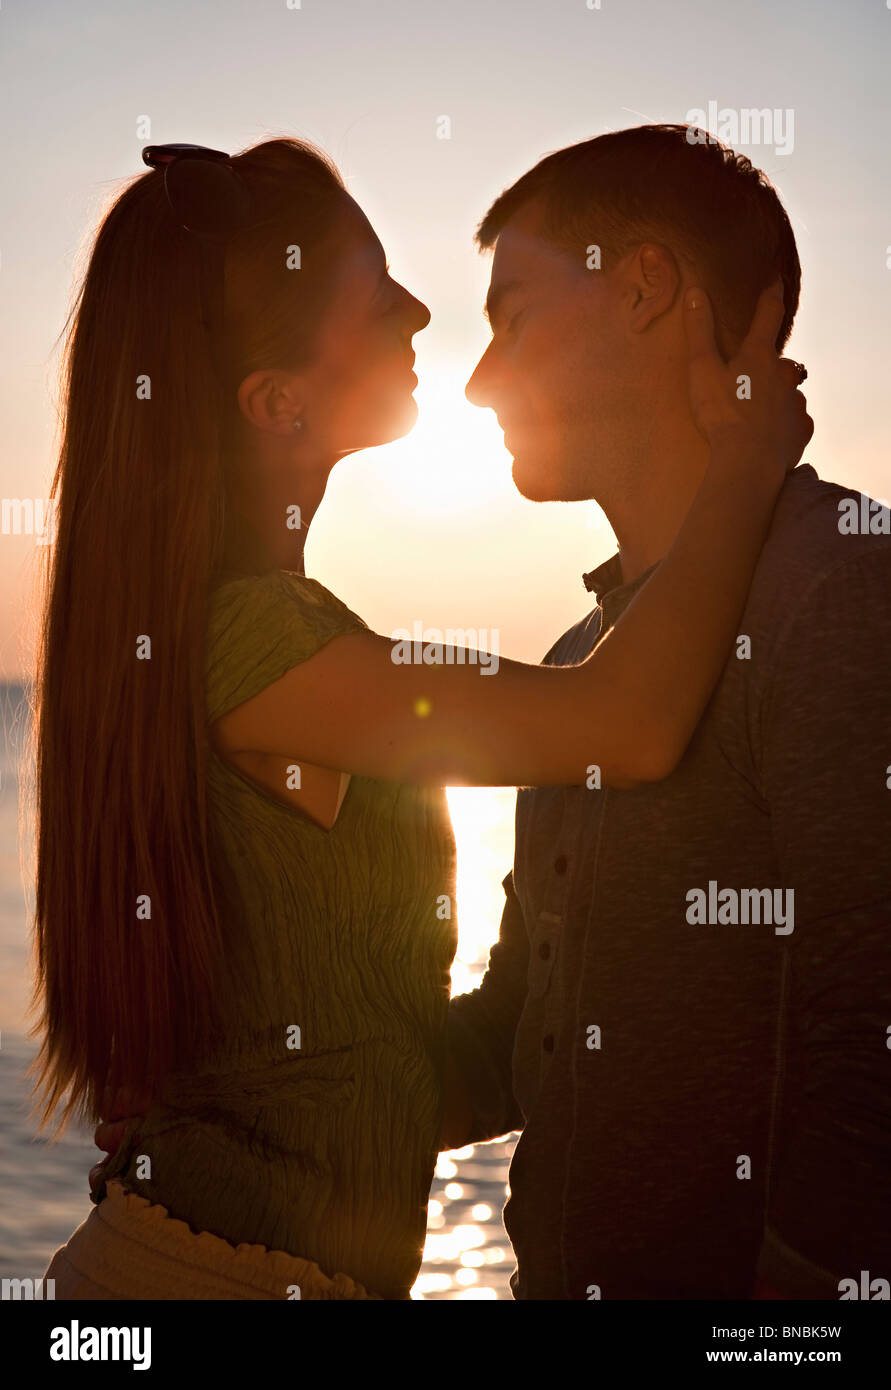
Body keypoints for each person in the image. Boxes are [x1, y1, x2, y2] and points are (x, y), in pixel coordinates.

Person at [49, 132, 810, 1301]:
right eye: (373, 296)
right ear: (277, 401)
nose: (417, 313)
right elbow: (628, 719)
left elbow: (402, 1059)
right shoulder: (257, 643)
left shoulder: (280, 636)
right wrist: (748, 462)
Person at [442, 124, 891, 1299]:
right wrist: (237, 1098)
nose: (483, 380)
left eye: (513, 315)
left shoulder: (843, 581)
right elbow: (514, 1032)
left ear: (643, 287)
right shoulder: (587, 662)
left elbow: (871, 1031)